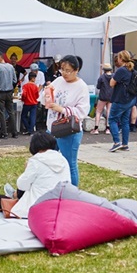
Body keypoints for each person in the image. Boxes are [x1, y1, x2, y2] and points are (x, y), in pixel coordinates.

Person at [0, 131, 69, 218]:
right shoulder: (62, 159)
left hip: (39, 206)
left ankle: (5, 200)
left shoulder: (36, 161)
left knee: (0, 199)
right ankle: (12, 195)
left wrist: (26, 169)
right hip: (60, 205)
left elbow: (21, 185)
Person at [43, 55, 90, 185]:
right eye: (62, 69)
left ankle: (73, 193)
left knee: (70, 163)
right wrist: (46, 95)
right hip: (52, 127)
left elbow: (82, 111)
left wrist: (62, 109)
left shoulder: (81, 87)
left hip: (69, 130)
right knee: (48, 160)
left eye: (68, 70)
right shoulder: (58, 81)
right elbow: (45, 98)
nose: (64, 73)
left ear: (76, 70)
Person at [108, 51, 137, 152]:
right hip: (130, 99)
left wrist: (114, 77)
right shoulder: (131, 69)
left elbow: (112, 83)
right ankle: (125, 144)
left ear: (121, 59)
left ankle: (116, 142)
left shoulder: (121, 70)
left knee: (112, 120)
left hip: (120, 98)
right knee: (125, 122)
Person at [0, 53, 18, 139]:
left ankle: (4, 133)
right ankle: (14, 132)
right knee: (11, 112)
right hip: (9, 91)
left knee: (1, 112)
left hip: (0, 92)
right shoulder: (10, 66)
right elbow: (15, 80)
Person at [94, 64, 113, 134]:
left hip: (103, 96)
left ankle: (96, 129)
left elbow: (98, 87)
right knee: (109, 111)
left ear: (104, 70)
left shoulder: (101, 77)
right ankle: (108, 129)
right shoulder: (114, 76)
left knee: (98, 111)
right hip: (111, 96)